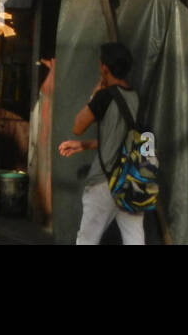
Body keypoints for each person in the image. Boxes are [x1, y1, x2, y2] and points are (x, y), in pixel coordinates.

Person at [58, 41, 144, 245]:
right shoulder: (135, 97)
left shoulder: (104, 96)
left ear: (104, 68)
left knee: (87, 240)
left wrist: (96, 91)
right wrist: (84, 145)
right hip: (131, 179)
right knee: (134, 238)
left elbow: (78, 126)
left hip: (104, 181)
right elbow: (118, 138)